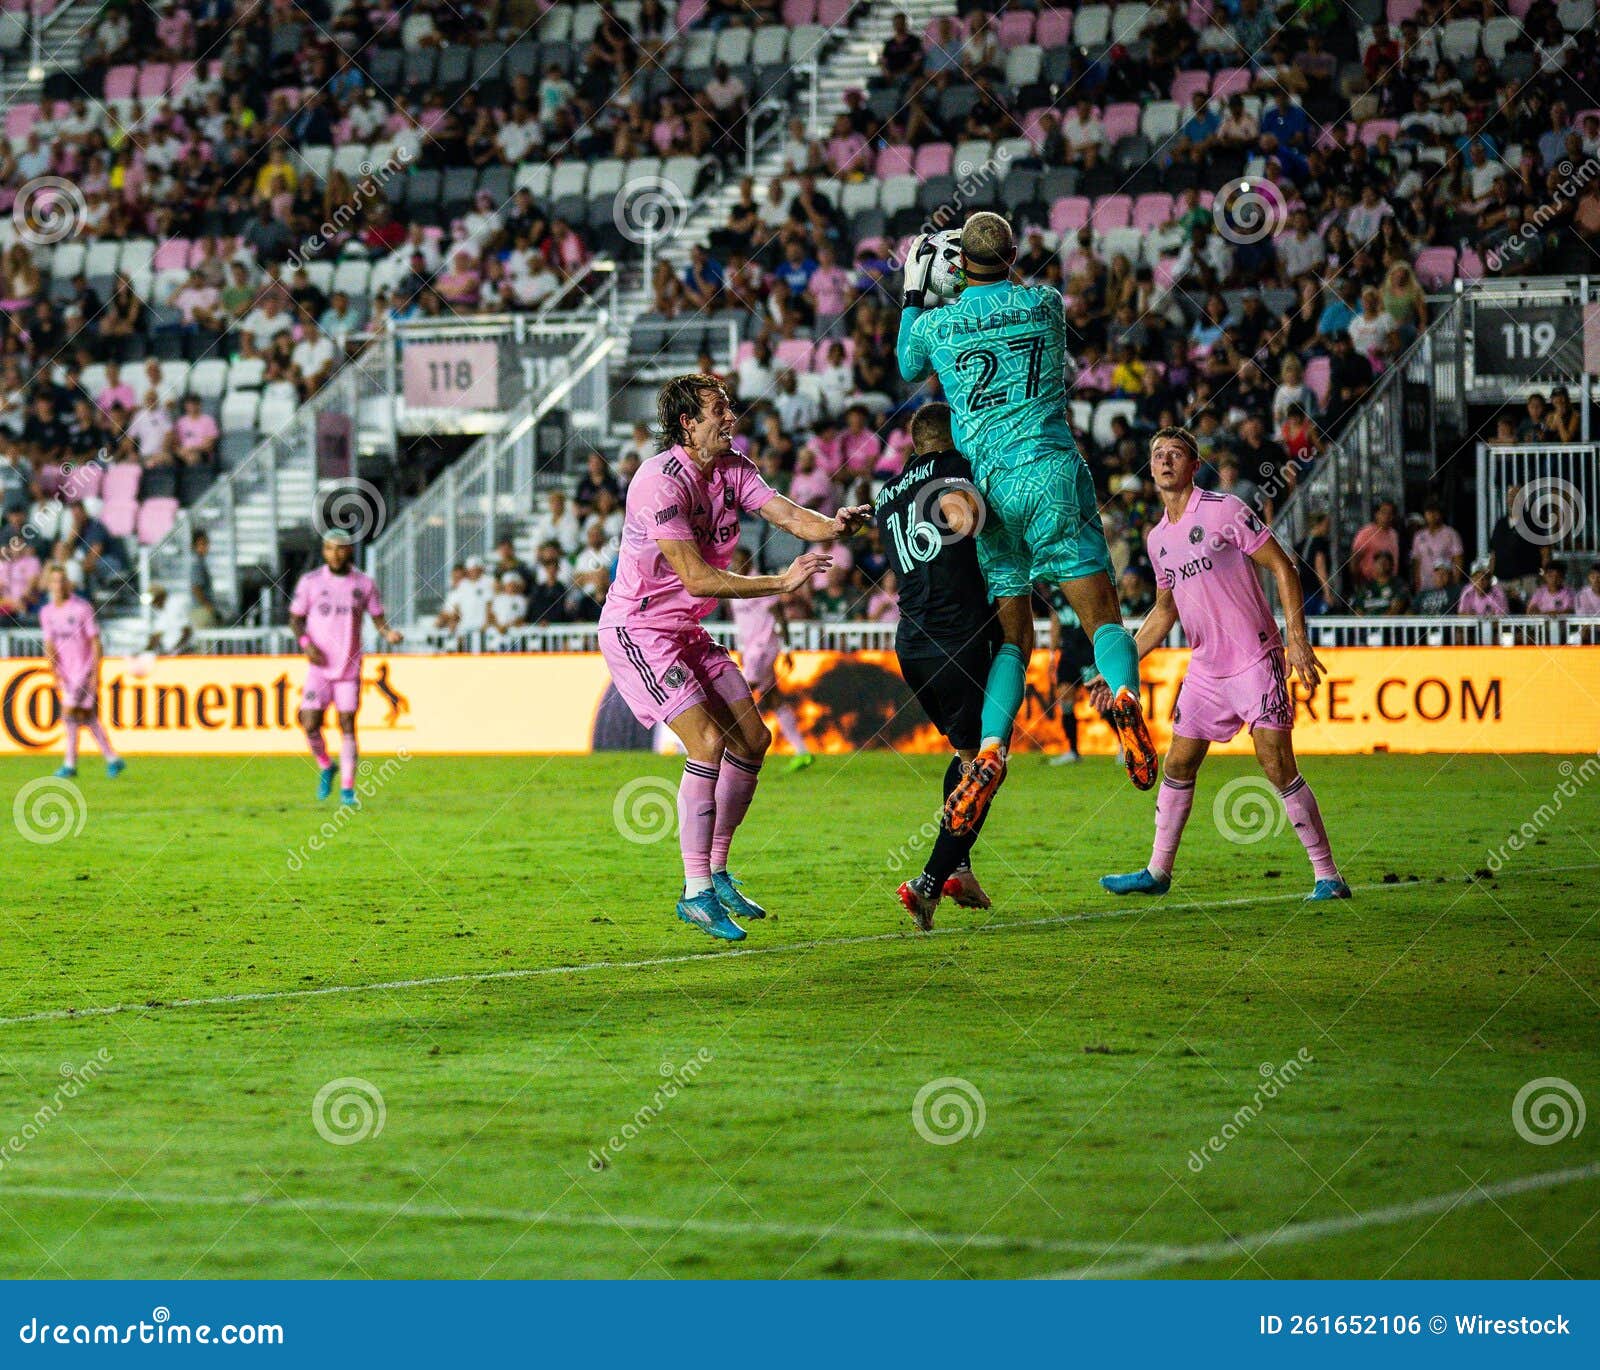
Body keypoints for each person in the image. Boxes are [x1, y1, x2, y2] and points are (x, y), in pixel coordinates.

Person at [896, 212, 1156, 839]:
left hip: (987, 491)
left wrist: (913, 290)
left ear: (957, 267)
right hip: (1052, 471)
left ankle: (989, 749)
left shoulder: (937, 321)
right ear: (1015, 254)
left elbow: (908, 364)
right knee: (1103, 623)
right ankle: (1123, 696)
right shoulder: (1045, 300)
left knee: (1015, 640)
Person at [597, 374, 870, 943]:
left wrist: (834, 525)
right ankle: (695, 892)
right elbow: (696, 579)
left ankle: (717, 873)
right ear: (685, 424)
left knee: (752, 740)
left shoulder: (732, 469)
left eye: (728, 407)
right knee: (707, 743)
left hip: (685, 631)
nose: (730, 416)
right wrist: (781, 582)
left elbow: (791, 517)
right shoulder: (658, 483)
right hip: (638, 630)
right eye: (717, 410)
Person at [1096, 429, 1349, 903]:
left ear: (1195, 465)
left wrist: (1296, 639)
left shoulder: (1225, 509)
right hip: (1206, 671)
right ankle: (1157, 871)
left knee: (1275, 763)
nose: (1164, 460)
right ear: (1150, 469)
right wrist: (1119, 665)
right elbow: (1165, 612)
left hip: (1255, 658)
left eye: (1175, 453)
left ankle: (1328, 875)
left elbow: (1284, 567)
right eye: (1157, 454)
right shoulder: (1157, 540)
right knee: (1178, 761)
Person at [869, 403, 1004, 928]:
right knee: (987, 764)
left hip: (913, 645)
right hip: (959, 639)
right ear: (953, 435)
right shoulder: (953, 471)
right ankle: (927, 882)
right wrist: (975, 509)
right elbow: (961, 517)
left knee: (967, 751)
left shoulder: (888, 492)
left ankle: (960, 867)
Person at [288, 532, 404, 806]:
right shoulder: (311, 582)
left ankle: (348, 790)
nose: (335, 554)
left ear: (349, 550)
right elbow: (295, 619)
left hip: (349, 667)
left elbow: (378, 619)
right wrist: (306, 644)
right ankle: (327, 765)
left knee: (347, 724)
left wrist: (389, 635)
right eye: (329, 549)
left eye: (340, 549)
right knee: (309, 723)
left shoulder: (363, 584)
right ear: (324, 551)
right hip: (319, 667)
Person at [727, 547, 812, 774]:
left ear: (749, 562)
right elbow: (742, 624)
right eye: (735, 561)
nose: (738, 565)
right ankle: (802, 751)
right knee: (773, 699)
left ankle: (728, 746)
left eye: (741, 561)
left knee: (740, 693)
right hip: (752, 649)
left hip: (765, 647)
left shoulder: (760, 584)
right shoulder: (733, 585)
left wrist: (786, 647)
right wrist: (743, 648)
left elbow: (779, 615)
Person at [40, 564, 123, 779]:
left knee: (67, 714)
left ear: (67, 583)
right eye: (54, 581)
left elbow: (95, 641)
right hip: (65, 672)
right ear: (48, 585)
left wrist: (96, 671)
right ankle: (113, 759)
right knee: (85, 716)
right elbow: (49, 643)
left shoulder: (81, 608)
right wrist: (54, 670)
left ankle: (70, 764)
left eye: (62, 580)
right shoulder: (46, 612)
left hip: (83, 669)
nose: (59, 585)